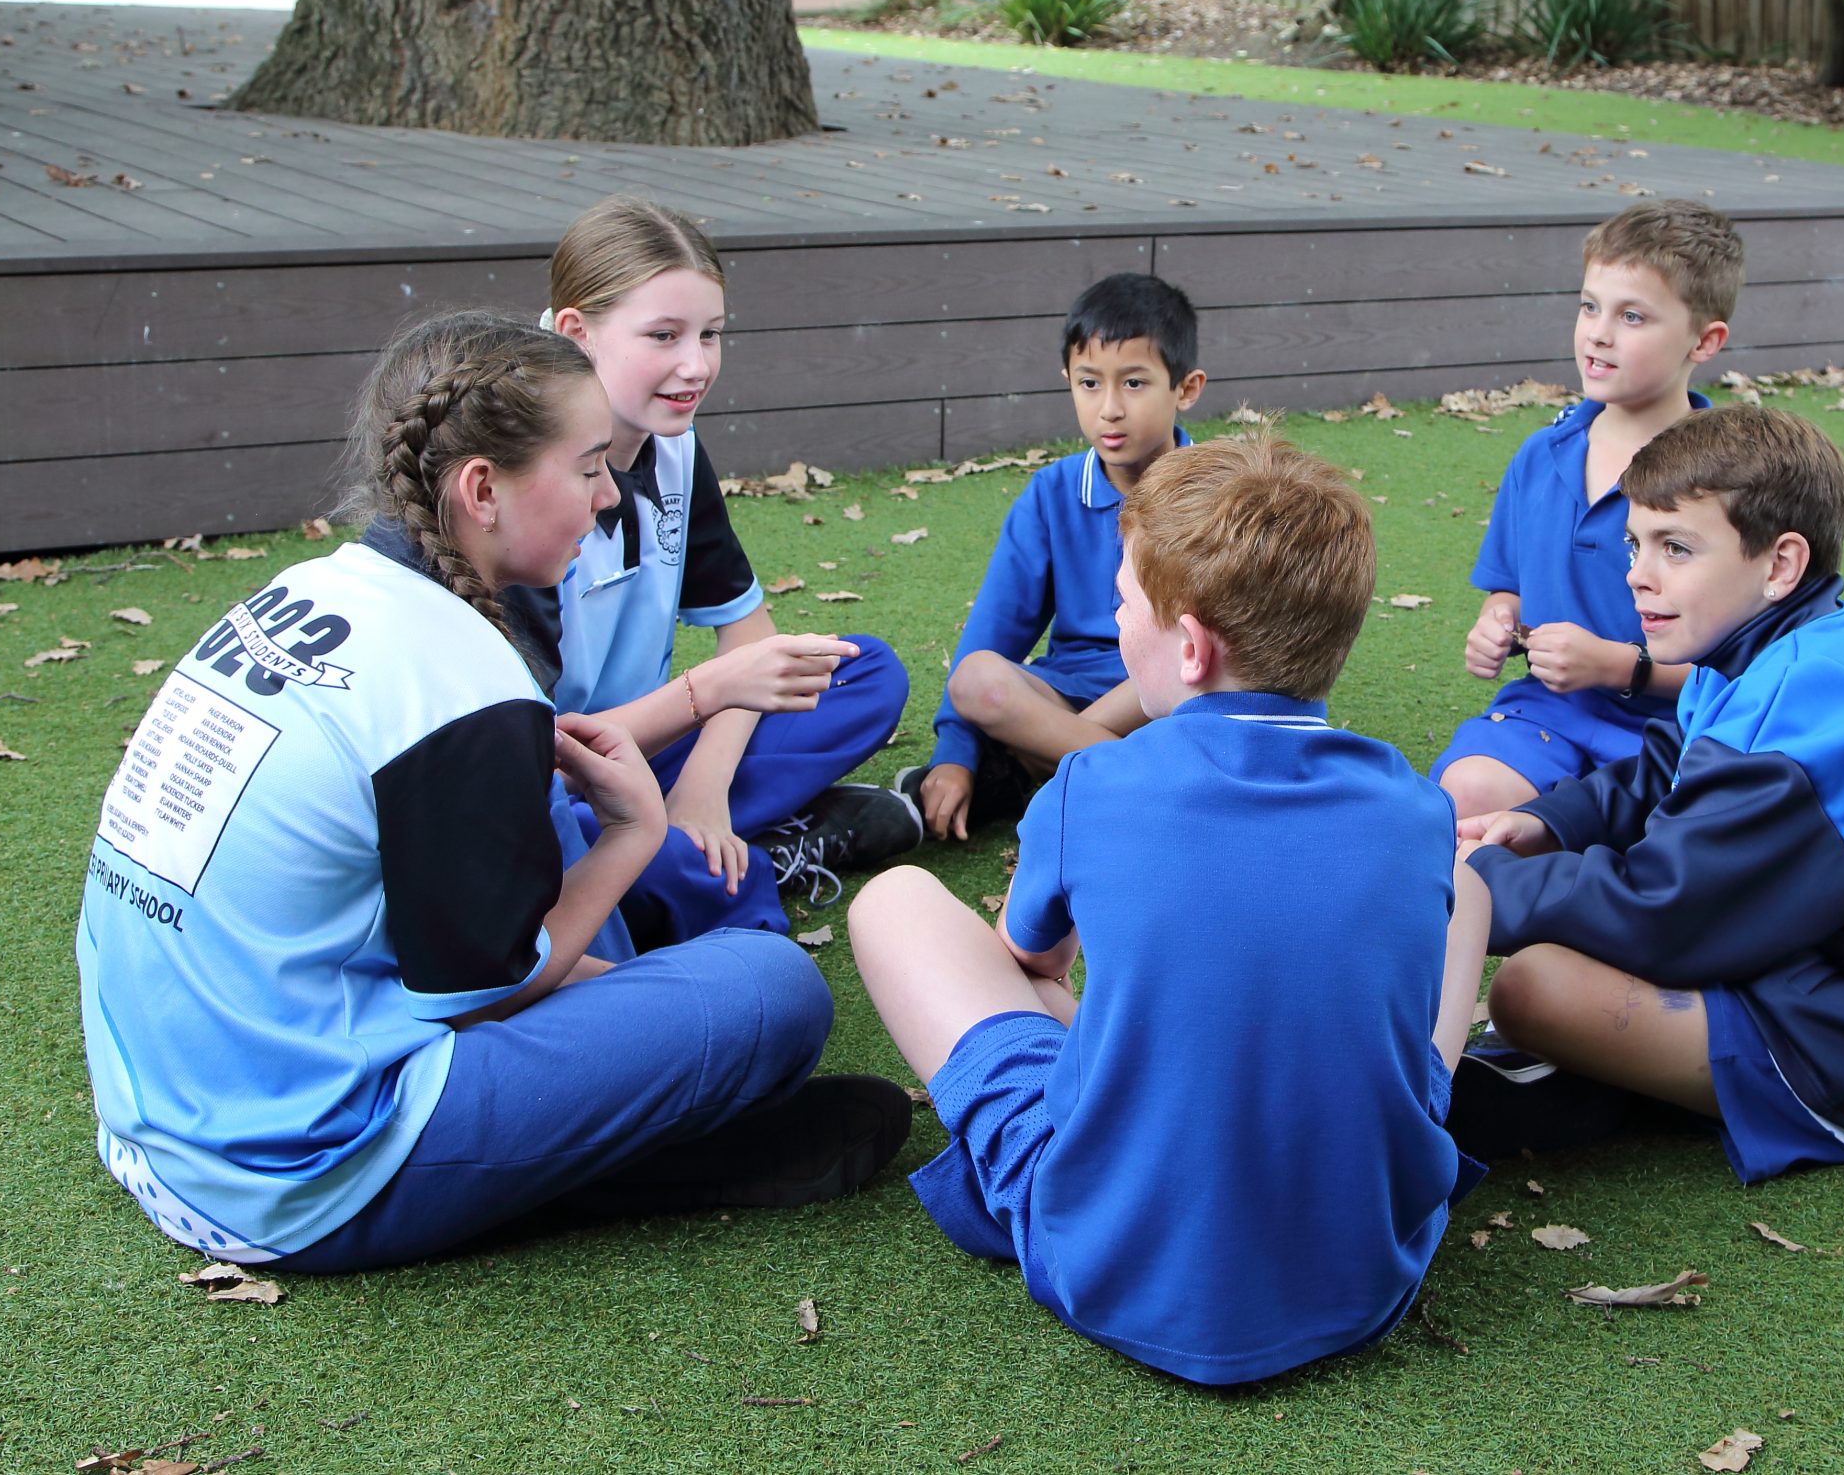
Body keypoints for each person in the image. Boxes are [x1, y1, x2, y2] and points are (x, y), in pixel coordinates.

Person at [74, 314, 909, 1272]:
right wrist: (633, 837)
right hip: (294, 1173)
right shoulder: (462, 683)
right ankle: (619, 1163)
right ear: (482, 490)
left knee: (573, 837)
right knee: (770, 990)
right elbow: (487, 994)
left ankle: (610, 1126)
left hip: (155, 1121)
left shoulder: (313, 588)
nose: (608, 496)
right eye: (589, 468)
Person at [849, 437, 1490, 1386]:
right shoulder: (1416, 805)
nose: (1115, 618)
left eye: (1122, 601)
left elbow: (1031, 965)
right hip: (1365, 1277)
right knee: (1468, 882)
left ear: (1190, 647)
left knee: (895, 900)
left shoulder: (1089, 784)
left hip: (1107, 1264)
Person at [1452, 406, 1844, 1183]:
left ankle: (1614, 1086)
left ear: (1780, 564)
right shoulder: (1790, 645)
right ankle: (1612, 1080)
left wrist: (1471, 885)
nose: (1637, 573)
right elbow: (1664, 768)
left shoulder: (1800, 718)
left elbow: (1661, 911)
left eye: (1675, 547)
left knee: (1536, 991)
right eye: (1635, 544)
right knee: (1561, 943)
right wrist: (1546, 822)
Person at [521, 195, 918, 947]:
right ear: (575, 333)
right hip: (557, 783)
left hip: (652, 748)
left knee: (860, 671)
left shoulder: (673, 440)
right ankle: (747, 854)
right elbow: (529, 760)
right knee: (594, 840)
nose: (696, 365)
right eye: (663, 335)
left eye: (711, 334)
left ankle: (706, 839)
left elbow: (750, 638)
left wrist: (705, 786)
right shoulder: (522, 479)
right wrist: (703, 701)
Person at [1433, 199, 1742, 821]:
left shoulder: (1731, 480)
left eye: (1633, 316)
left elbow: (1746, 671)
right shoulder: (1540, 455)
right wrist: (1498, 624)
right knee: (1464, 798)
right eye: (1589, 306)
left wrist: (1620, 668)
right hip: (1548, 713)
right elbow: (1510, 589)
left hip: (1678, 733)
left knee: (1651, 845)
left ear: (1704, 340)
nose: (1599, 333)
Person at [898, 272, 1207, 842]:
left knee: (1201, 677)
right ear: (1068, 381)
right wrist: (955, 754)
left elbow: (1214, 646)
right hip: (1064, 696)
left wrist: (1062, 735)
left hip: (1171, 694)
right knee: (976, 680)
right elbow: (991, 635)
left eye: (1134, 383)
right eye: (1089, 383)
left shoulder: (1216, 494)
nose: (1109, 409)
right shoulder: (1050, 493)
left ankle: (1039, 768)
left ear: (1184, 389)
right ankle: (1126, 782)